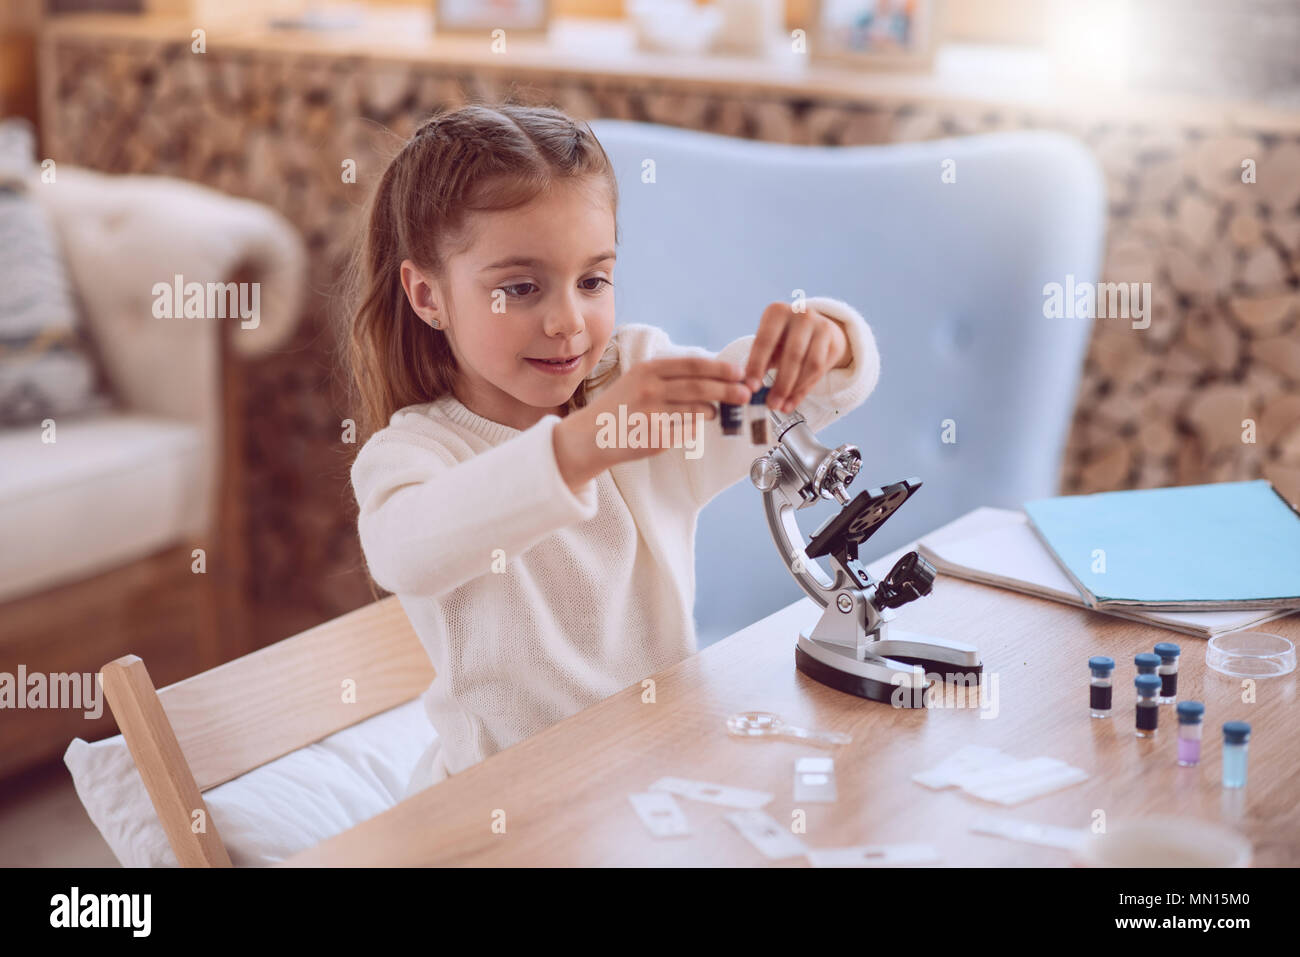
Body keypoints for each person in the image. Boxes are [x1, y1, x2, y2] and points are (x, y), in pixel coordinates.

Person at [345, 102, 881, 796]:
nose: (568, 321)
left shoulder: (634, 382)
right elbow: (404, 552)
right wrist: (583, 445)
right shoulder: (417, 452)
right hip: (505, 812)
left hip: (663, 782)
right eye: (520, 287)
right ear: (428, 295)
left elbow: (778, 401)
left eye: (593, 280)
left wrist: (829, 342)